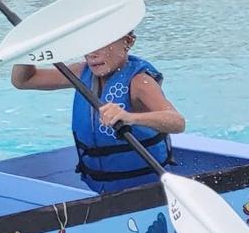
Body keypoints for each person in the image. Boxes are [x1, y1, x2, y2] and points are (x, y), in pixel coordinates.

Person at [11, 31, 185, 193]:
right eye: (86, 46)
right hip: (98, 189)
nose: (92, 54)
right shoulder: (80, 72)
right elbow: (23, 80)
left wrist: (130, 117)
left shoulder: (139, 82)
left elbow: (177, 122)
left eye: (101, 45)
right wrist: (29, 49)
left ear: (128, 41)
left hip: (145, 190)